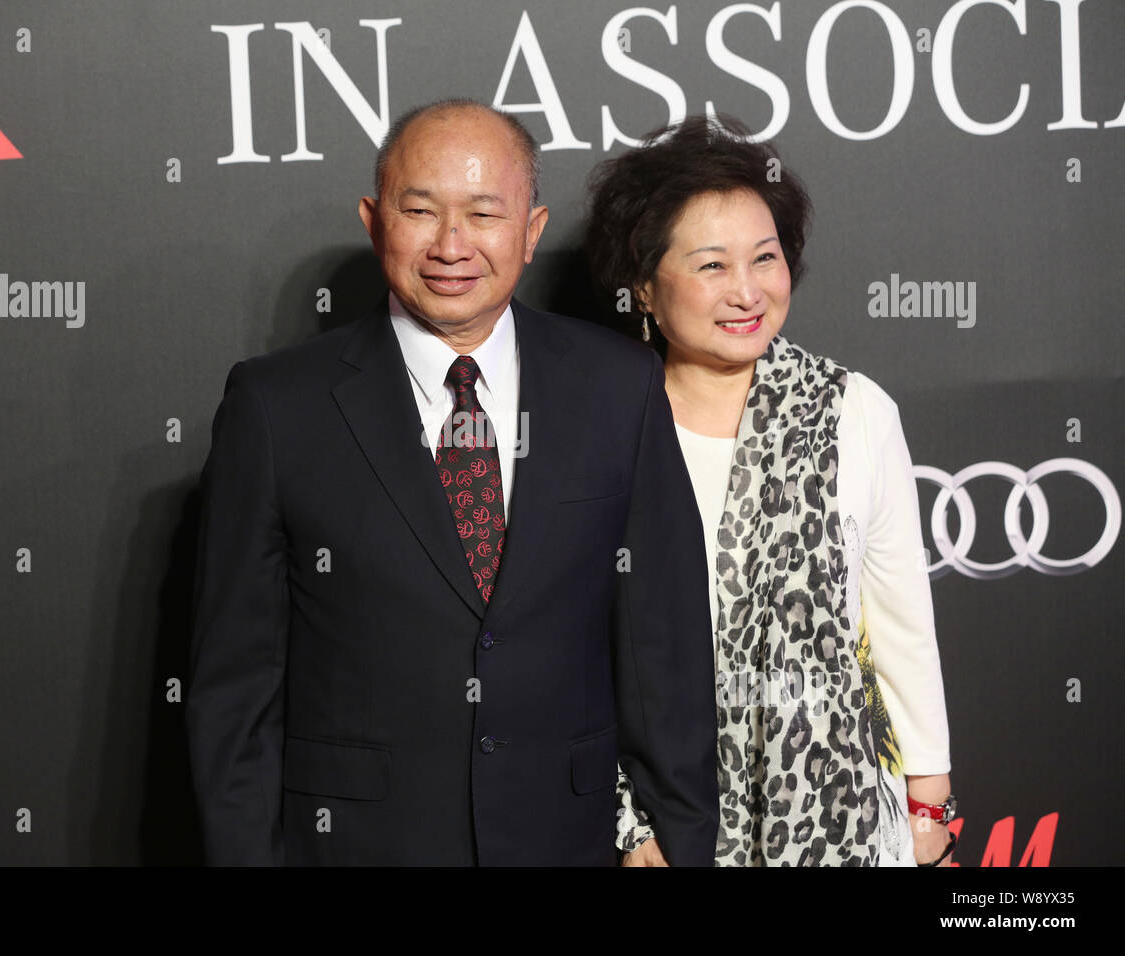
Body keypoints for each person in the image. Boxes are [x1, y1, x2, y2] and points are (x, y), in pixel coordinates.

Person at [185, 99, 719, 865]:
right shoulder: (276, 408)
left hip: (567, 843)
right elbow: (235, 689)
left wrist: (678, 832)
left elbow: (664, 645)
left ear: (531, 232)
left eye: (483, 213)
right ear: (374, 221)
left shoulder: (618, 386)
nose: (451, 245)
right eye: (420, 210)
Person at [586, 115, 954, 867]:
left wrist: (930, 808)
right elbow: (571, 652)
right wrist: (630, 823)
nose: (747, 291)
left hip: (848, 820)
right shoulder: (597, 426)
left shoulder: (855, 412)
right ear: (644, 288)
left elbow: (902, 629)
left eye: (766, 257)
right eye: (712, 266)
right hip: (661, 825)